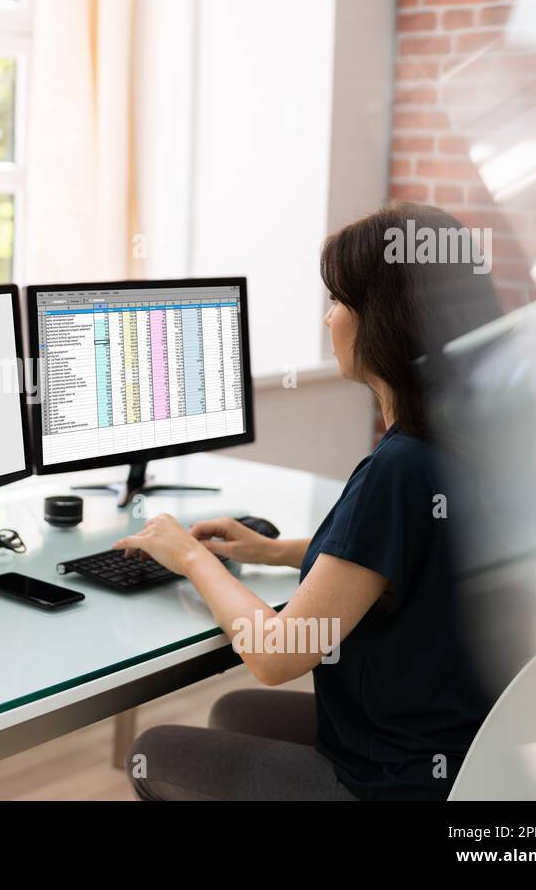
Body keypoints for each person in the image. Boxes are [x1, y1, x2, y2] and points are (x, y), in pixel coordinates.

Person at [116, 203, 500, 800]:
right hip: (465, 757)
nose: (328, 320)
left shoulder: (398, 468)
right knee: (235, 714)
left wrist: (191, 559)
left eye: (340, 302)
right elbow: (394, 565)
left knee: (151, 754)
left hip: (390, 782)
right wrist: (270, 551)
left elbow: (276, 655)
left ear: (388, 321)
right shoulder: (466, 442)